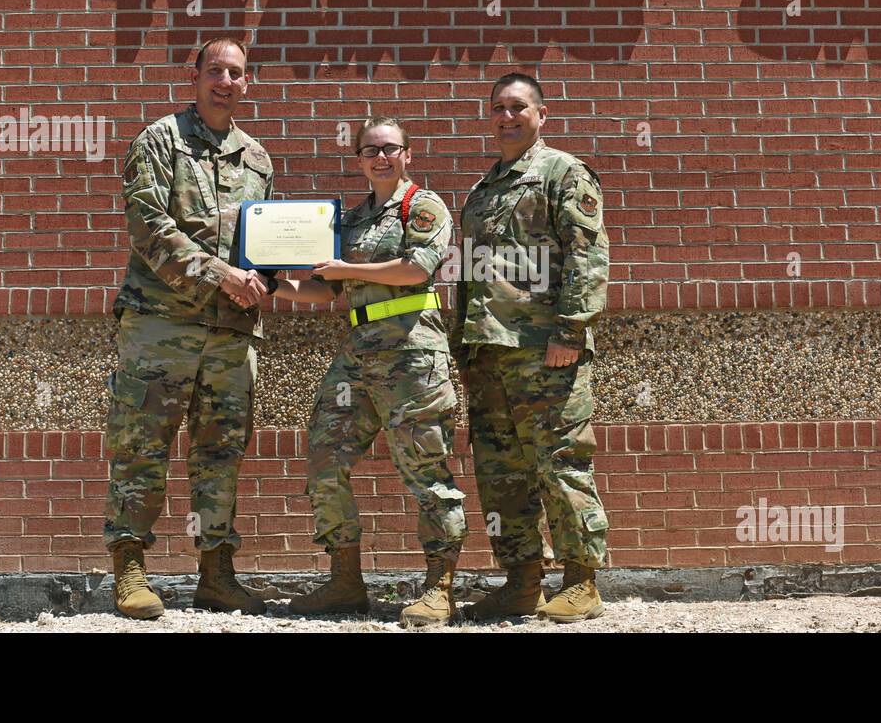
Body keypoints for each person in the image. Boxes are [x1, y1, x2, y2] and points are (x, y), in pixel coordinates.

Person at [248, 118, 467, 626]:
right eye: (370, 150)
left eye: (390, 148)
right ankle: (344, 581)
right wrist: (272, 283)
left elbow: (418, 268)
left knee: (425, 471)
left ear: (408, 154)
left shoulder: (423, 205)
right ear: (360, 160)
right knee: (325, 456)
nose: (381, 157)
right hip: (360, 350)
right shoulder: (350, 219)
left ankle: (439, 588)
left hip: (412, 350)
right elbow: (326, 291)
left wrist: (346, 269)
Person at [103, 37, 271, 620]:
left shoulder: (258, 159)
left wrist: (270, 276)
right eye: (215, 71)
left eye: (237, 73)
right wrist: (222, 275)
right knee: (141, 446)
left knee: (221, 452)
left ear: (247, 83)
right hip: (160, 325)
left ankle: (217, 572)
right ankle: (129, 568)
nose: (226, 81)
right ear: (194, 76)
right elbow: (148, 226)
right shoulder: (160, 140)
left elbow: (264, 243)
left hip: (230, 335)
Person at [452, 73, 610, 623]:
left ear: (542, 114)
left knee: (560, 463)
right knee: (502, 473)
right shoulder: (482, 189)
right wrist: (463, 347)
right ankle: (522, 580)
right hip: (489, 352)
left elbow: (587, 256)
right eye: (497, 108)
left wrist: (570, 331)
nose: (507, 117)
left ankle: (581, 580)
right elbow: (470, 275)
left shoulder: (562, 173)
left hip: (544, 350)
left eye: (518, 107)